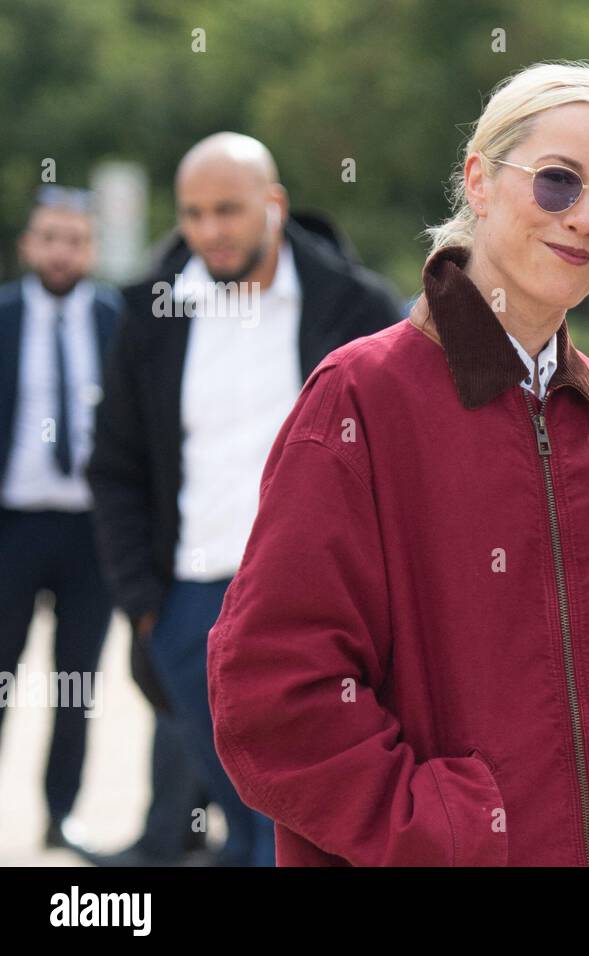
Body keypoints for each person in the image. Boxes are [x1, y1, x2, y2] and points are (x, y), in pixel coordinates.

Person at [206, 62, 589, 866]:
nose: (584, 221)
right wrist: (446, 831)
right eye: (558, 182)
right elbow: (272, 695)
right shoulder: (359, 397)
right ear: (481, 180)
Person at [86, 132, 402, 866]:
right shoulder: (151, 317)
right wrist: (145, 605)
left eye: (227, 210)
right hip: (189, 609)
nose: (209, 232)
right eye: (192, 214)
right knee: (241, 813)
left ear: (274, 204)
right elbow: (116, 467)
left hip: (317, 605)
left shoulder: (353, 305)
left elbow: (400, 455)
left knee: (302, 822)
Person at [0, 186, 119, 859]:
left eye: (74, 239)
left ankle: (60, 814)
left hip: (89, 535)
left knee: (79, 684)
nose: (60, 250)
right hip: (10, 528)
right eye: (49, 237)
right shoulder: (4, 316)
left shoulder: (115, 320)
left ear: (91, 249)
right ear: (28, 244)